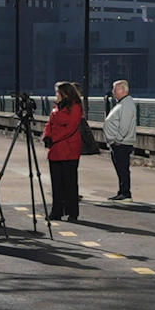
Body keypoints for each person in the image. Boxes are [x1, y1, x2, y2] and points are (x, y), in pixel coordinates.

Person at [44, 80, 89, 227]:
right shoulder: (57, 107)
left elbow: (70, 127)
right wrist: (46, 136)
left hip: (69, 149)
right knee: (56, 182)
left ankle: (72, 211)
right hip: (56, 149)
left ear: (64, 94)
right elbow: (49, 124)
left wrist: (53, 138)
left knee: (69, 182)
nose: (56, 95)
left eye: (57, 92)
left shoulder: (75, 107)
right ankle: (57, 210)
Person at [105, 76, 139, 202]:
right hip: (119, 142)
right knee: (120, 169)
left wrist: (117, 140)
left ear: (123, 90)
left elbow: (124, 125)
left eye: (115, 89)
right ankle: (122, 191)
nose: (113, 92)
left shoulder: (127, 104)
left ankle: (125, 193)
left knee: (123, 169)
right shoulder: (122, 103)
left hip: (121, 143)